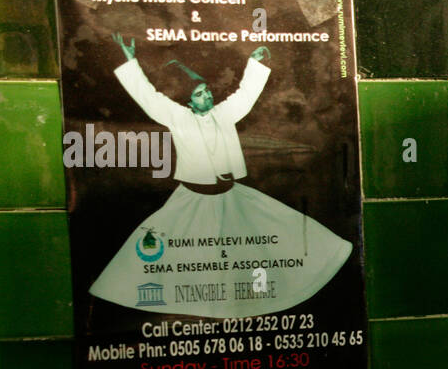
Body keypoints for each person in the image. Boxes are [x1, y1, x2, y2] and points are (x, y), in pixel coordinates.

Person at [89, 34, 352, 317]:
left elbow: (244, 96)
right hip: (194, 200)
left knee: (264, 242)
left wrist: (254, 64)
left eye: (208, 91)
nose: (207, 97)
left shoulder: (224, 114)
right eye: (199, 94)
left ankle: (250, 302)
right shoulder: (177, 117)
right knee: (189, 255)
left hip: (232, 197)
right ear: (189, 102)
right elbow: (149, 97)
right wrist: (131, 63)